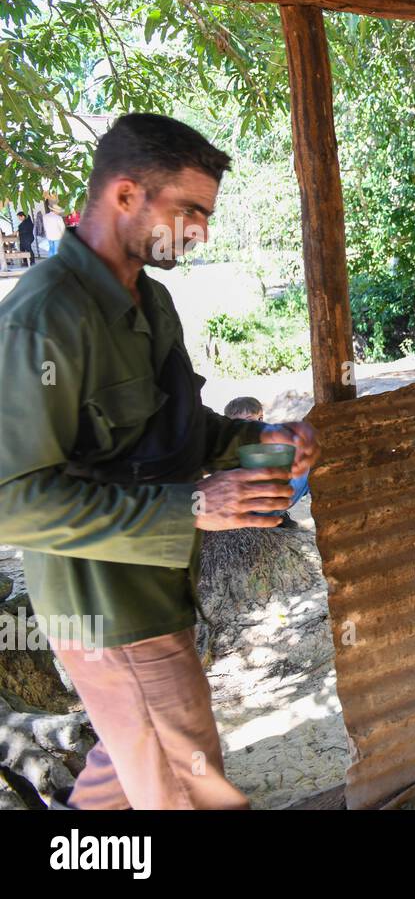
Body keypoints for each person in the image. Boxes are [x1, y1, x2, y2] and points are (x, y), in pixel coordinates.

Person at [0, 113, 321, 810]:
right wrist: (194, 508)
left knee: (126, 764)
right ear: (124, 197)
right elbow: (13, 502)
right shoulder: (45, 317)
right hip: (107, 610)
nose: (202, 230)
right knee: (188, 783)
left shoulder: (153, 302)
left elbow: (177, 430)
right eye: (190, 210)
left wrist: (266, 440)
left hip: (158, 587)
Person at [224, 396, 310, 527]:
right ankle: (275, 516)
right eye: (249, 421)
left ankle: (279, 514)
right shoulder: (231, 449)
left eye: (260, 418)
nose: (259, 424)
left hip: (271, 497)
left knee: (307, 468)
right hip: (252, 507)